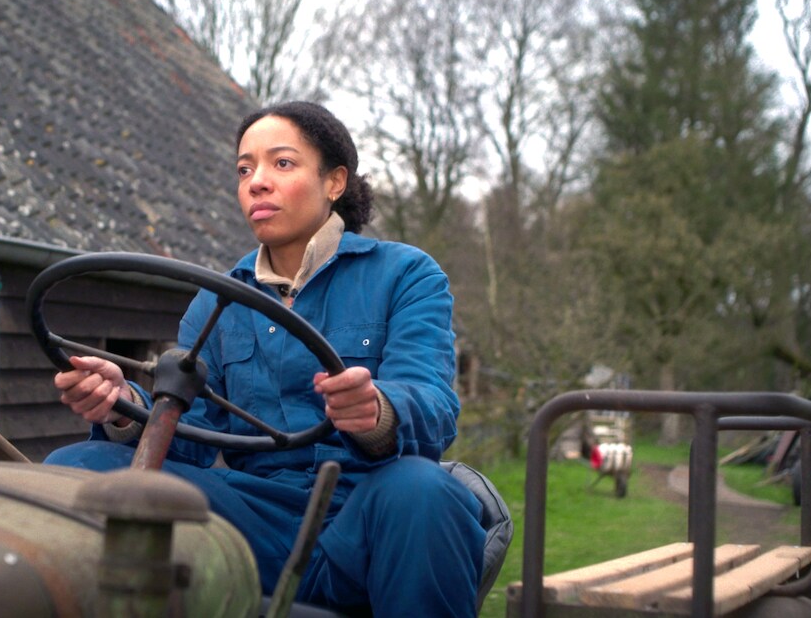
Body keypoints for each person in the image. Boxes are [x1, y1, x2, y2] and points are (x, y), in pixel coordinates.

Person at [44, 101, 485, 616]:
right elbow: (186, 434)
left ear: (334, 182)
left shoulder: (405, 275)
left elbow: (431, 401)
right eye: (244, 168)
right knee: (78, 468)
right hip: (256, 513)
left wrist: (378, 410)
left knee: (424, 492)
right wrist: (124, 406)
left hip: (367, 509)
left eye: (282, 163)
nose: (256, 182)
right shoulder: (216, 301)